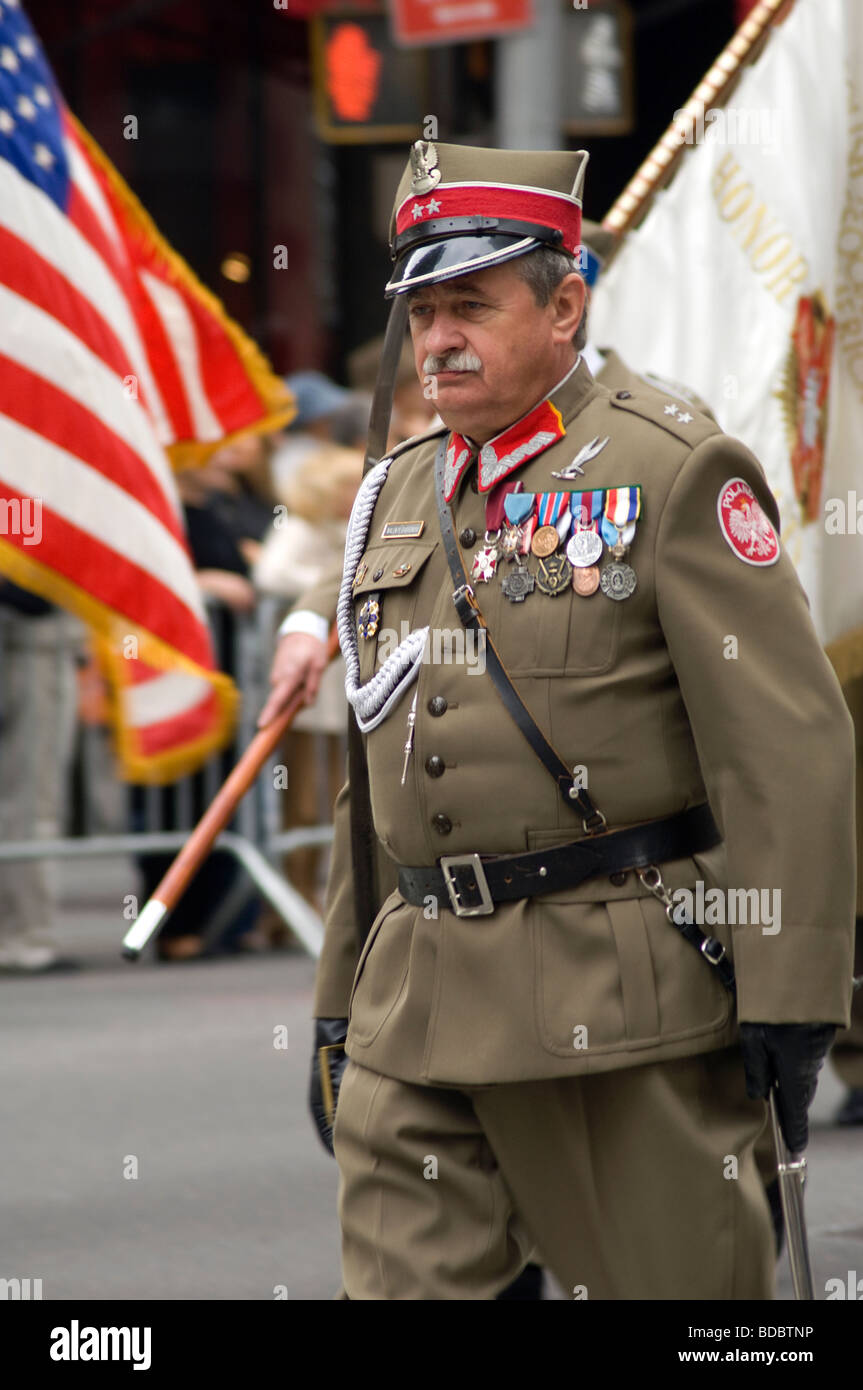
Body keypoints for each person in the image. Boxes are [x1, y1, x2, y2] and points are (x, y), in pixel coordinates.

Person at [265, 141, 856, 1300]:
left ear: (564, 303)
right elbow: (372, 779)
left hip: (612, 1008)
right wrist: (339, 1001)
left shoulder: (671, 470)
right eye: (421, 309)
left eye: (470, 307)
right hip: (413, 1014)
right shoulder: (392, 491)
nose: (436, 338)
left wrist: (792, 998)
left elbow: (783, 751)